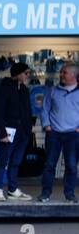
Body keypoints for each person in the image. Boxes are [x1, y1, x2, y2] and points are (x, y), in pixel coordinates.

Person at [0, 62, 34, 201]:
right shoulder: (4, 88)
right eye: (26, 73)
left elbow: (27, 112)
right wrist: (1, 133)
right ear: (18, 73)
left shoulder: (25, 90)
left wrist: (28, 130)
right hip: (8, 132)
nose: (28, 76)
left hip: (23, 133)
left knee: (16, 161)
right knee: (3, 161)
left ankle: (12, 189)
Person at [39, 60, 79, 203]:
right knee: (49, 164)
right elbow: (44, 109)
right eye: (61, 72)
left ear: (74, 75)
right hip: (54, 133)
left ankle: (69, 194)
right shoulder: (53, 91)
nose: (61, 74)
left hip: (73, 135)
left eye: (64, 72)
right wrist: (47, 126)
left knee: (71, 166)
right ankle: (45, 193)